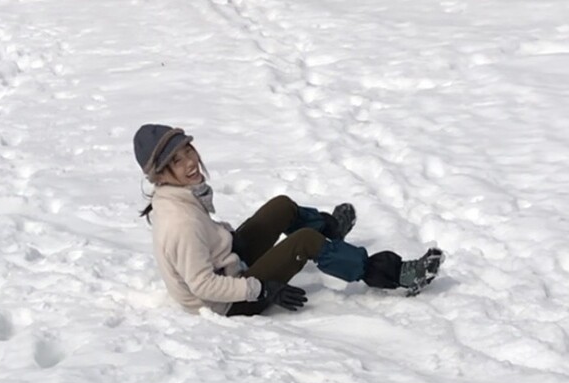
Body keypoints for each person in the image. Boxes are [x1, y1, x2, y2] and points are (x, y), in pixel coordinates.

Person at [134, 123, 443, 317]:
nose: (189, 161)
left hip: (228, 263)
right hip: (226, 301)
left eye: (187, 149)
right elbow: (203, 286)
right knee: (305, 242)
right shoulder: (180, 222)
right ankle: (392, 274)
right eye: (176, 160)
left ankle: (330, 232)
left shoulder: (179, 195)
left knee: (281, 207)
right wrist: (261, 289)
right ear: (160, 175)